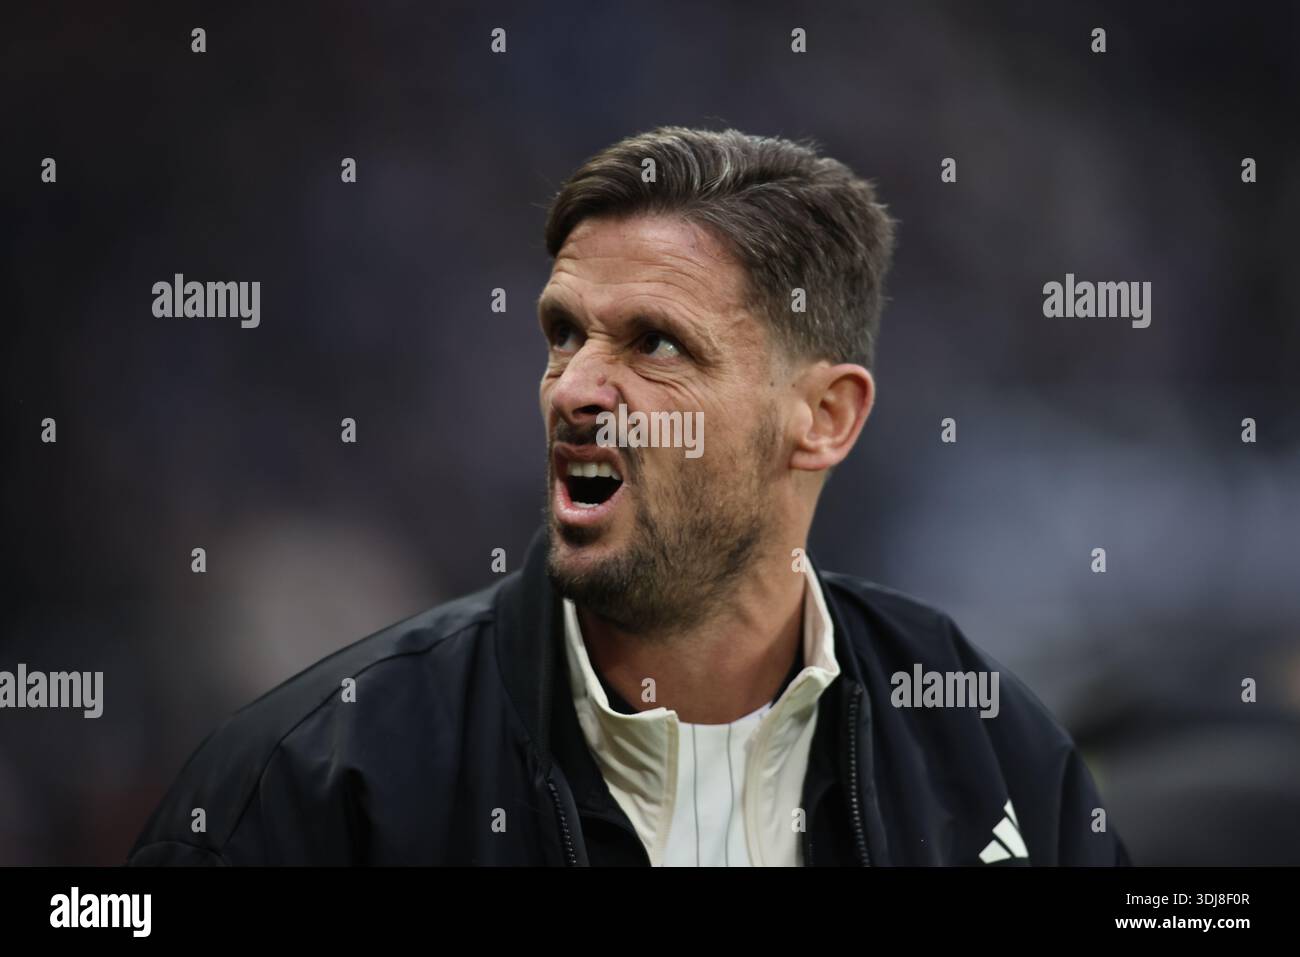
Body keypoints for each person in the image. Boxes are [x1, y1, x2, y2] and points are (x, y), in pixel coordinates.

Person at [130, 127, 1128, 866]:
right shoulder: (316, 783)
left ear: (822, 417)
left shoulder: (983, 740)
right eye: (563, 334)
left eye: (654, 344)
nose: (571, 388)